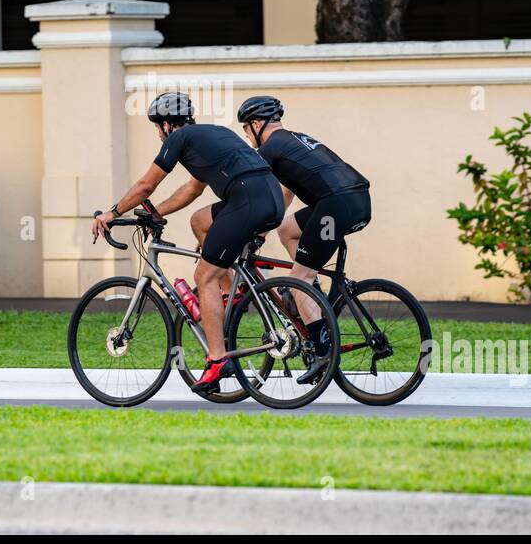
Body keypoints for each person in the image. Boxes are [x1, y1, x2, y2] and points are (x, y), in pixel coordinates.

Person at [90, 92, 284, 393]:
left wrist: (113, 213)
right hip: (270, 199)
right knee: (200, 221)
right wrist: (155, 212)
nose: (158, 133)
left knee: (202, 276)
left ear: (167, 124)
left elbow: (146, 184)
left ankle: (218, 359)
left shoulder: (177, 140)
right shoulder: (214, 135)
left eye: (157, 126)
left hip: (246, 201)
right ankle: (231, 292)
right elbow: (192, 190)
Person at [234, 95, 371, 383]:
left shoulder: (269, 149)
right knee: (287, 229)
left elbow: (261, 199)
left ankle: (322, 353)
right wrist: (262, 233)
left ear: (257, 124)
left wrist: (244, 231)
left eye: (246, 129)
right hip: (355, 199)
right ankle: (314, 296)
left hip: (336, 207)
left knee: (299, 281)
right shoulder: (293, 140)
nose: (247, 136)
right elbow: (283, 197)